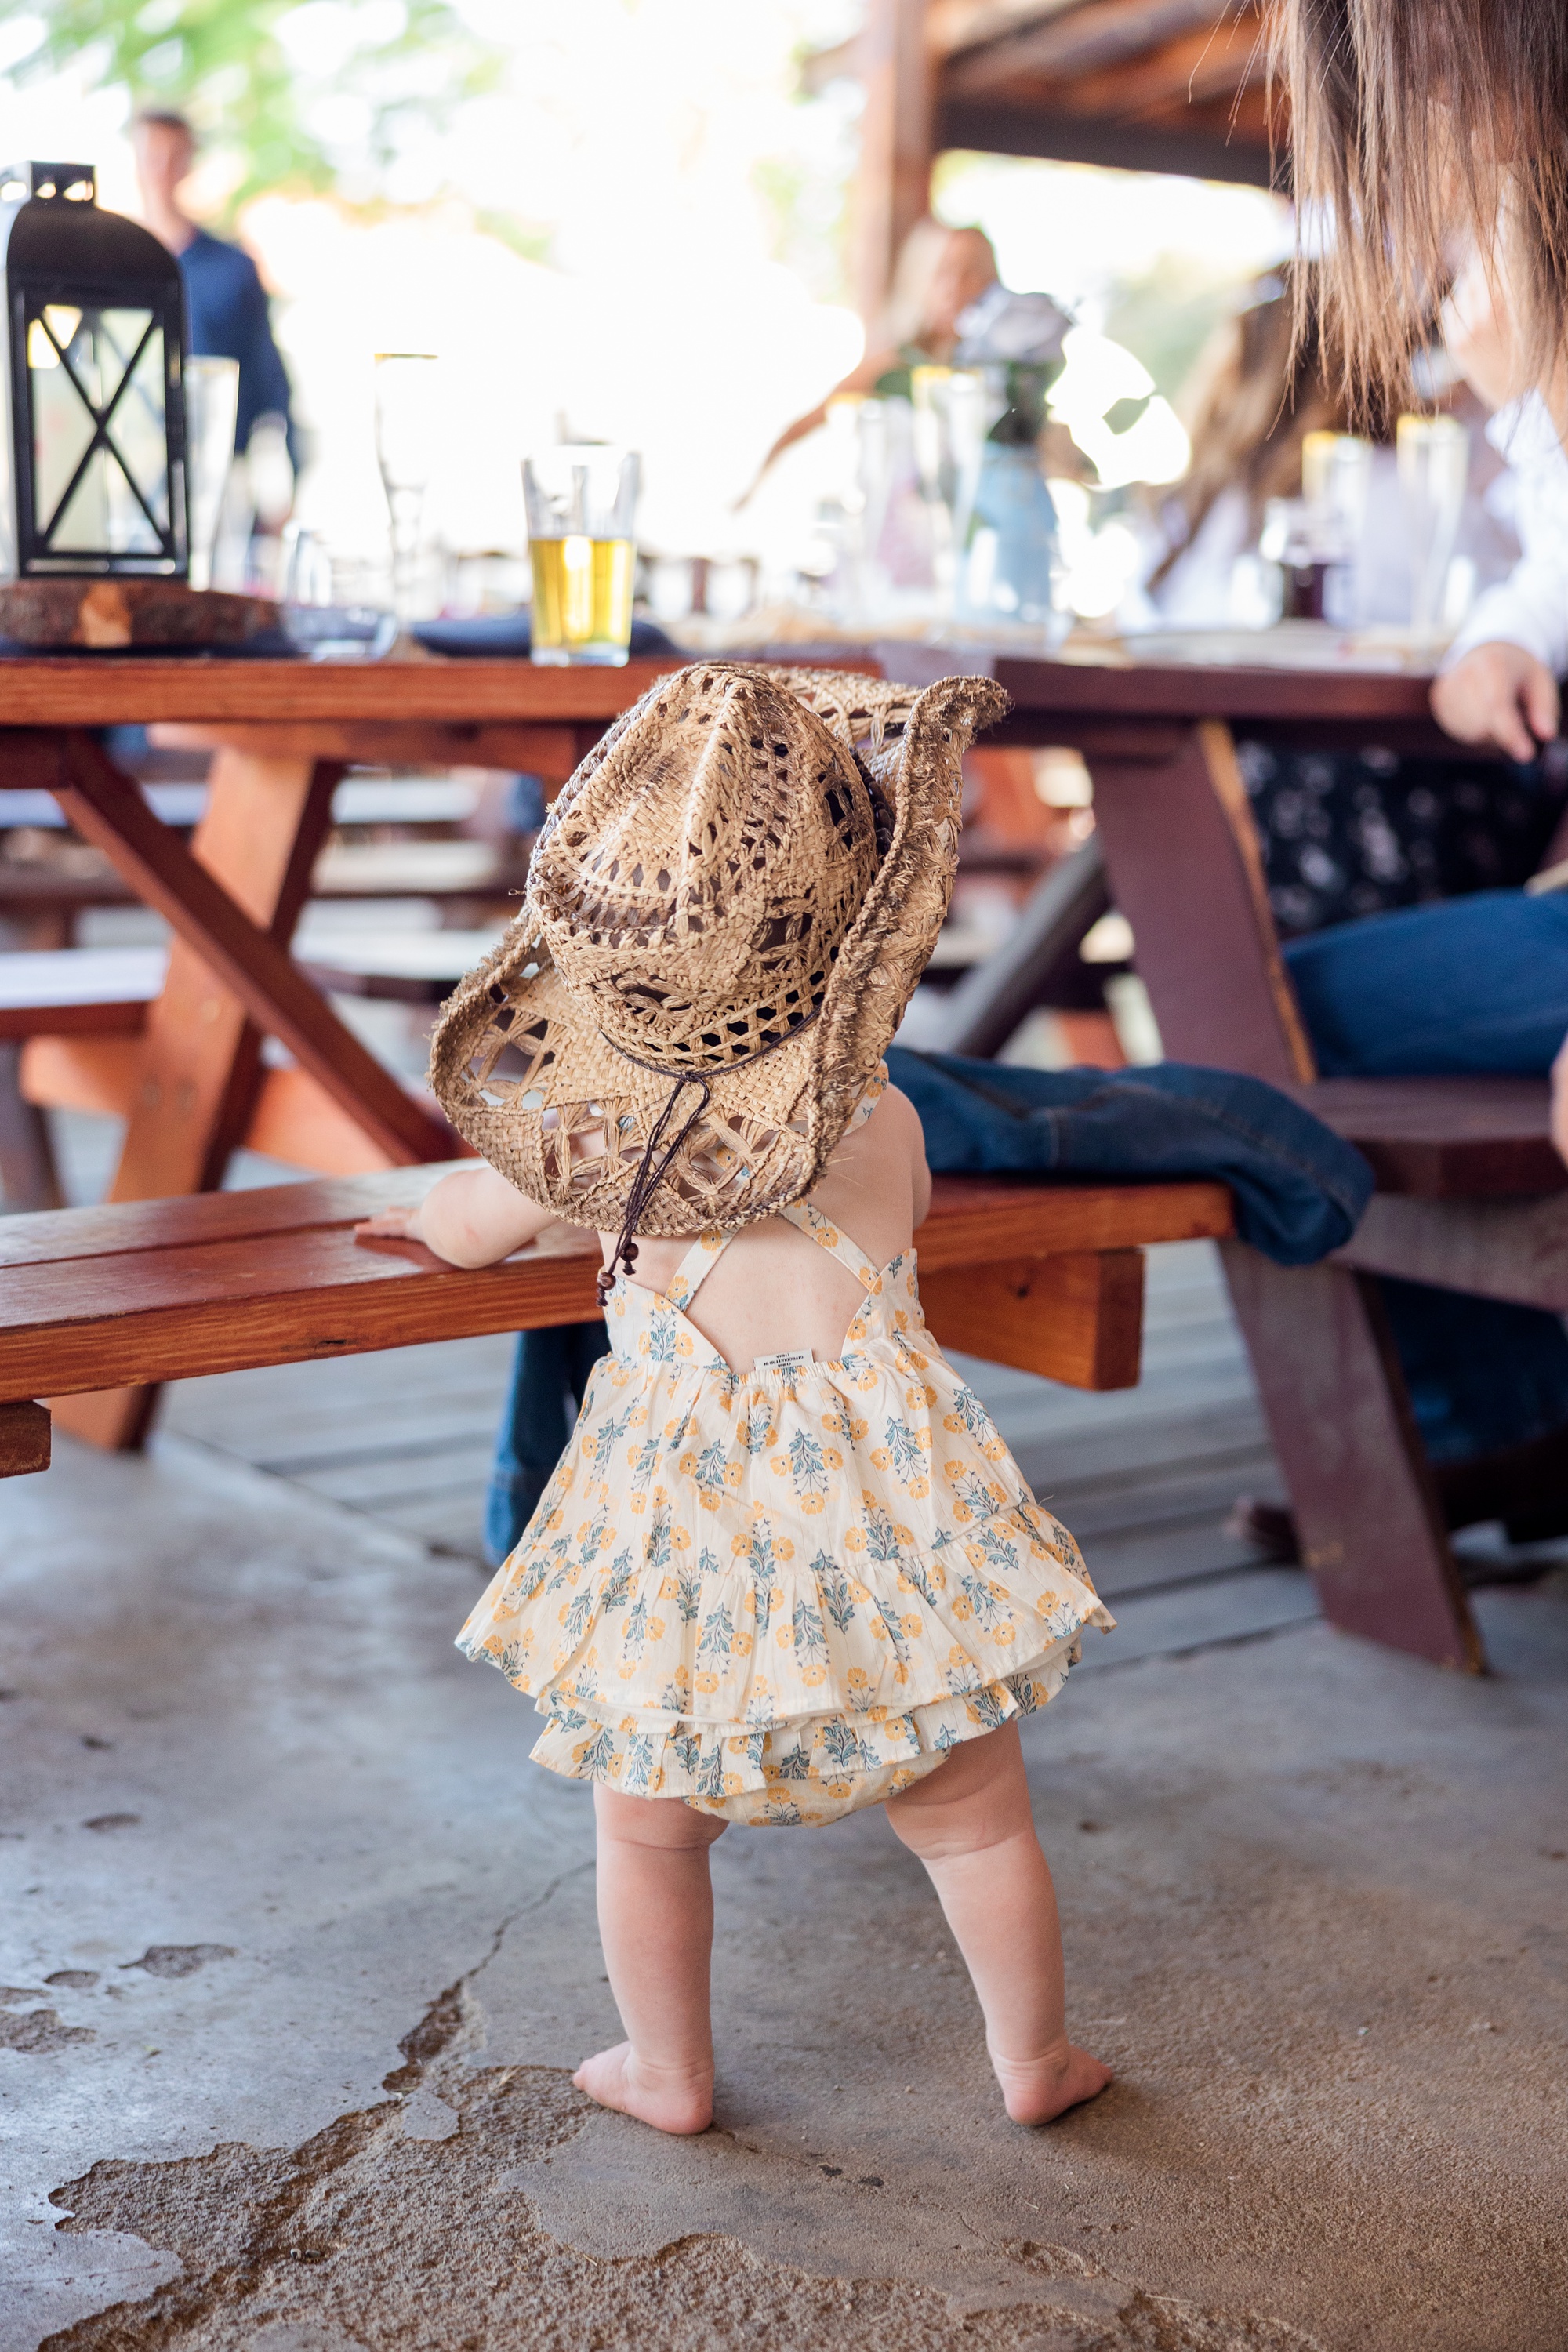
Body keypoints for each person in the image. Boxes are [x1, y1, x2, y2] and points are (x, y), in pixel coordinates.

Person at [357, 662, 1114, 2136]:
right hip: (887, 1518)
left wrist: (422, 1221)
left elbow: (464, 1224)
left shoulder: (589, 1140)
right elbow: (896, 1233)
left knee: (645, 1828)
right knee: (973, 1817)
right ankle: (1033, 2063)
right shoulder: (884, 1117)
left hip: (681, 1531)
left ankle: (670, 2071)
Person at [742, 221, 1000, 499]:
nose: (957, 287)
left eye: (975, 272)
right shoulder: (893, 366)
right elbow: (803, 426)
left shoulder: (1005, 372)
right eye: (945, 272)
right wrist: (749, 493)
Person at [132, 109, 294, 457]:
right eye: (152, 157)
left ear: (188, 163)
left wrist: (284, 466)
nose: (162, 169)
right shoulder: (110, 270)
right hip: (136, 462)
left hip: (220, 463)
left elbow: (266, 372)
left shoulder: (234, 269)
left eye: (174, 157)